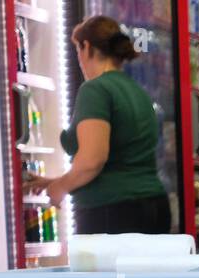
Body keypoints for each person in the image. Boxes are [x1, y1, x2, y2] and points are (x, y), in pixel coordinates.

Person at [27, 16, 169, 234]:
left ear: (86, 47)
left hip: (111, 213)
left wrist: (60, 188)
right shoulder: (137, 91)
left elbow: (93, 160)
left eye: (78, 50)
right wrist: (55, 181)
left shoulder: (95, 89)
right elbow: (122, 161)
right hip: (153, 207)